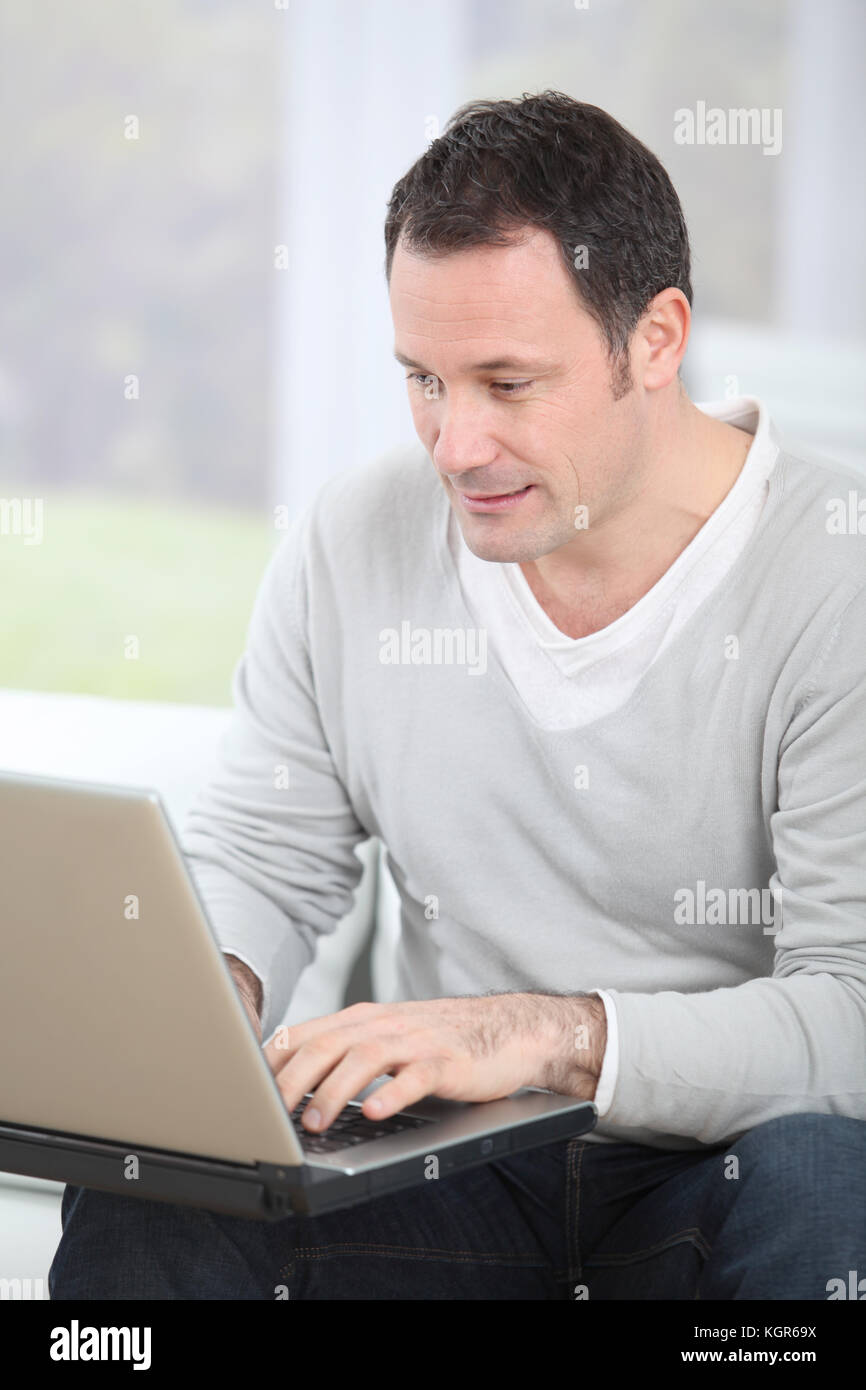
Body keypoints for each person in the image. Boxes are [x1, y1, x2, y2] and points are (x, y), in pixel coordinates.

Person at [50, 91, 866, 1301]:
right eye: (423, 379)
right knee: (156, 1184)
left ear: (654, 338)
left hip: (716, 1174)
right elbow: (268, 855)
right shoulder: (355, 539)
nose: (453, 446)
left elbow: (846, 1018)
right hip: (446, 1174)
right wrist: (203, 999)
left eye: (505, 383)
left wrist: (539, 1032)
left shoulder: (830, 578)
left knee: (824, 1188)